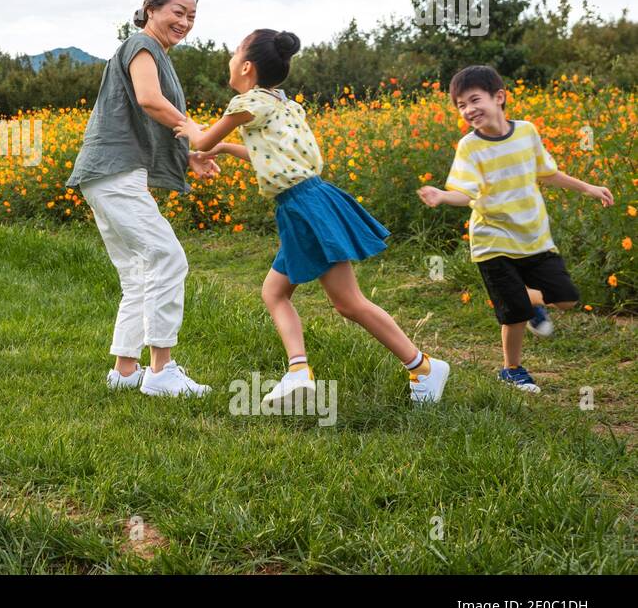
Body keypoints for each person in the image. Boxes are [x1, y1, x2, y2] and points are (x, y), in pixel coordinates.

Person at [176, 29, 450, 404]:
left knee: (348, 302)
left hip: (304, 207)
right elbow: (271, 156)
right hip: (309, 201)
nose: (229, 58)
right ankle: (298, 371)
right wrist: (225, 147)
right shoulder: (282, 103)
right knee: (274, 292)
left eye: (234, 51)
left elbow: (200, 141)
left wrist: (186, 124)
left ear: (246, 66)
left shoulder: (247, 102)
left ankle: (423, 367)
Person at [68, 0, 221, 397]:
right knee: (167, 257)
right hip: (114, 174)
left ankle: (124, 370)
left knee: (138, 271)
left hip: (109, 173)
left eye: (192, 15)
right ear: (151, 8)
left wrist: (188, 153)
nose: (185, 21)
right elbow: (150, 100)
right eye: (178, 11)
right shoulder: (142, 46)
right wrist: (195, 131)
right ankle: (161, 372)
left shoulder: (154, 52)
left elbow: (146, 117)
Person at [418, 64, 613, 393]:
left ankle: (531, 302)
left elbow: (546, 172)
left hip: (534, 236)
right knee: (513, 314)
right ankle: (512, 370)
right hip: (491, 240)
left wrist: (588, 188)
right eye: (461, 105)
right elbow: (465, 192)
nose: (468, 110)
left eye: (474, 100)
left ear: (499, 97)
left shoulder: (527, 132)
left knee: (566, 298)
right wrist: (441, 195)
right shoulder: (470, 146)